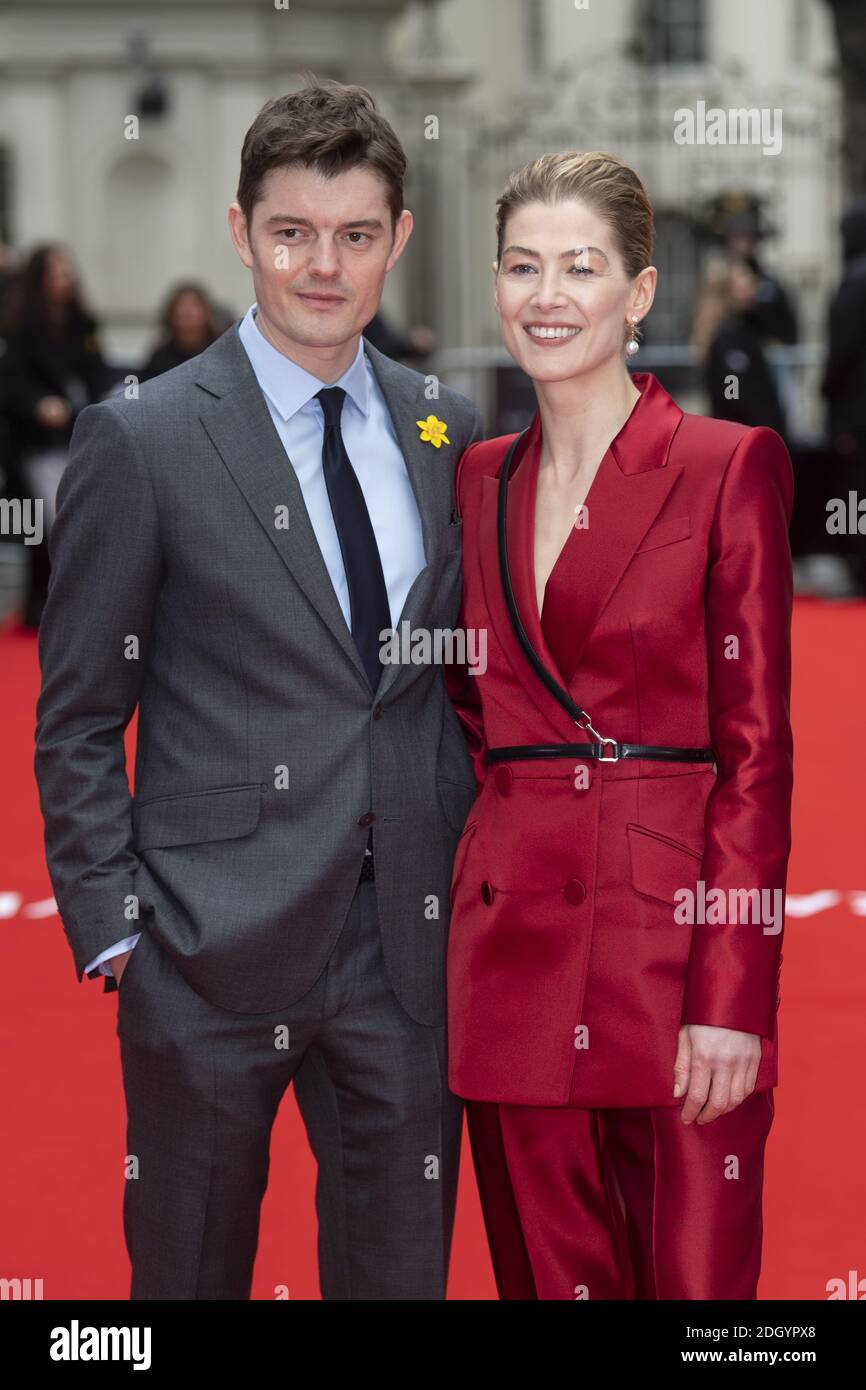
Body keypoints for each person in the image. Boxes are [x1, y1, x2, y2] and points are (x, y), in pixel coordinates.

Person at [34, 79, 483, 1300]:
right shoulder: (145, 437)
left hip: (408, 957)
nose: (321, 267)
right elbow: (76, 708)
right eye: (291, 233)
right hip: (205, 949)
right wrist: (117, 929)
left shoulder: (451, 424)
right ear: (241, 234)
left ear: (397, 237)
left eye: (352, 235)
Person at [445, 151, 794, 1300]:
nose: (546, 295)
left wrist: (732, 1001)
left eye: (578, 268)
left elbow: (756, 755)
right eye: (521, 266)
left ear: (636, 293)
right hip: (513, 971)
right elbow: (463, 710)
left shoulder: (722, 466)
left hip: (670, 959)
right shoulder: (478, 478)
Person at [0, 243, 110, 626]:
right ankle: (41, 604)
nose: (64, 279)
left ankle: (76, 603)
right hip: (36, 444)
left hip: (80, 436)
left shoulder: (82, 323)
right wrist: (39, 404)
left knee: (80, 519)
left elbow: (97, 372)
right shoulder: (19, 325)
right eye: (55, 272)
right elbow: (12, 382)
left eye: (67, 271)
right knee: (44, 523)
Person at [692, 256, 788, 440]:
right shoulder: (728, 336)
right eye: (746, 285)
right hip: (744, 435)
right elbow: (732, 389)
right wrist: (739, 422)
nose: (752, 290)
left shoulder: (746, 325)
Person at [139, 282, 223, 381]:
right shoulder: (159, 359)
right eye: (181, 306)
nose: (187, 312)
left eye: (194, 305)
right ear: (171, 316)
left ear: (207, 314)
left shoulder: (221, 354)